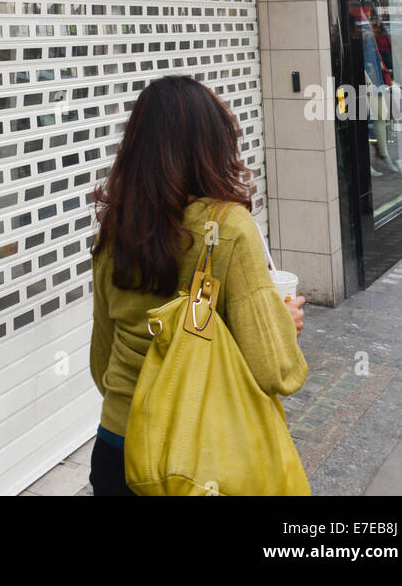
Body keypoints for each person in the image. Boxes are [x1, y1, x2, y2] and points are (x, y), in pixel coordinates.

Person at [88, 75, 308, 496]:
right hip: (199, 456)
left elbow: (102, 361)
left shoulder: (115, 227)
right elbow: (274, 369)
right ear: (212, 143)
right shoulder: (228, 228)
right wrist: (285, 322)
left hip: (117, 445)